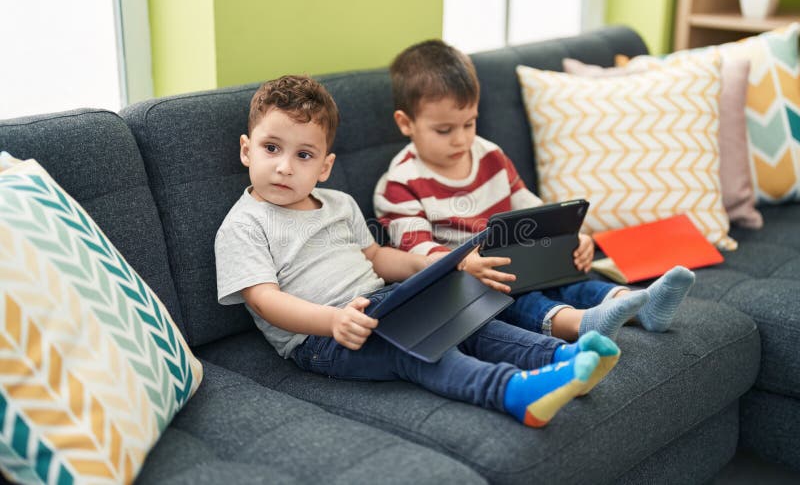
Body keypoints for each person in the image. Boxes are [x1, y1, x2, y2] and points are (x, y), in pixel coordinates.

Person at [215, 75, 622, 428]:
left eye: (303, 155)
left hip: (384, 303)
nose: (285, 166)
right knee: (417, 351)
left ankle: (563, 358)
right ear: (247, 150)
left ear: (324, 166)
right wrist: (332, 321)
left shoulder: (338, 204)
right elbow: (264, 300)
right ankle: (511, 392)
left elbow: (376, 257)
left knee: (470, 319)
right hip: (322, 338)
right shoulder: (244, 225)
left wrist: (432, 265)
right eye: (272, 148)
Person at [374, 40, 695, 341]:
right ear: (406, 123)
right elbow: (418, 252)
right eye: (444, 130)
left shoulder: (490, 156)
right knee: (516, 301)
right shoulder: (399, 184)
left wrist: (572, 239)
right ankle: (582, 324)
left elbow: (532, 210)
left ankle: (640, 303)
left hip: (519, 260)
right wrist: (463, 264)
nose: (461, 139)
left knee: (572, 277)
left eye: (469, 124)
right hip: (469, 283)